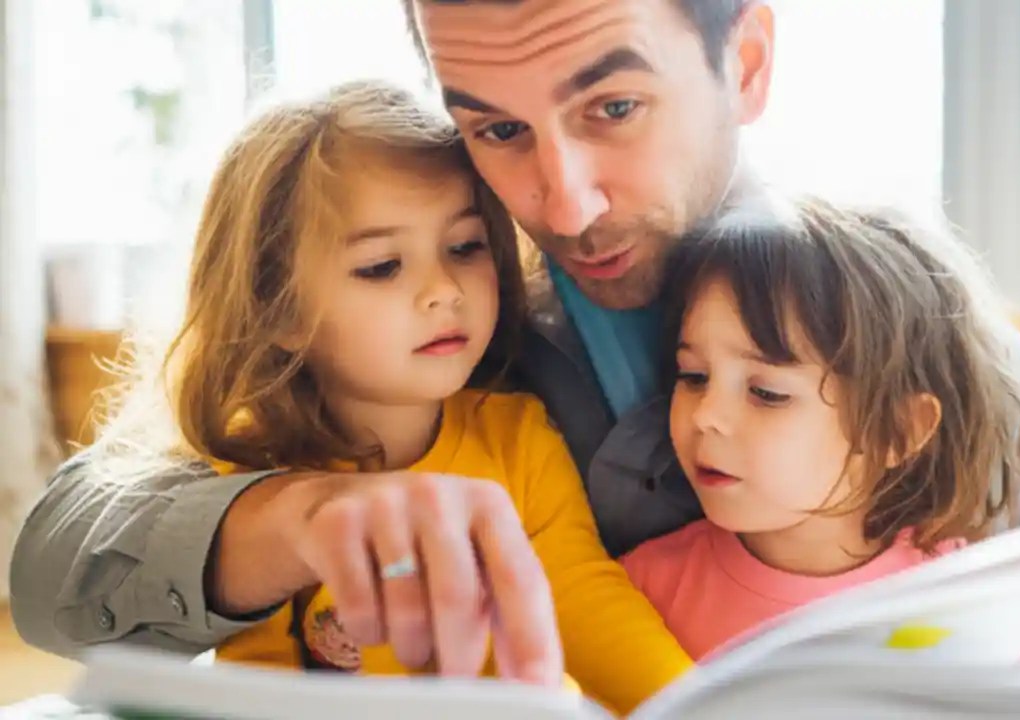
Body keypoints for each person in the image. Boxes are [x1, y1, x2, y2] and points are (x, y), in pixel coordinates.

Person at [11, 0, 1020, 682]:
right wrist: (299, 516)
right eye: (497, 128)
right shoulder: (440, 318)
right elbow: (58, 572)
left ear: (744, 64)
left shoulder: (918, 345)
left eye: (612, 108)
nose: (560, 203)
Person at [63, 79, 694, 713]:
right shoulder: (255, 482)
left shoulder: (519, 435)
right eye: (382, 266)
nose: (443, 289)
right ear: (277, 309)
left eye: (464, 246)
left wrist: (700, 705)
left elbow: (585, 601)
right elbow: (258, 686)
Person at [623, 198, 1020, 662]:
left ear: (897, 432)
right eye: (693, 376)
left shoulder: (985, 610)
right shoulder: (638, 593)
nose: (706, 414)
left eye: (767, 393)